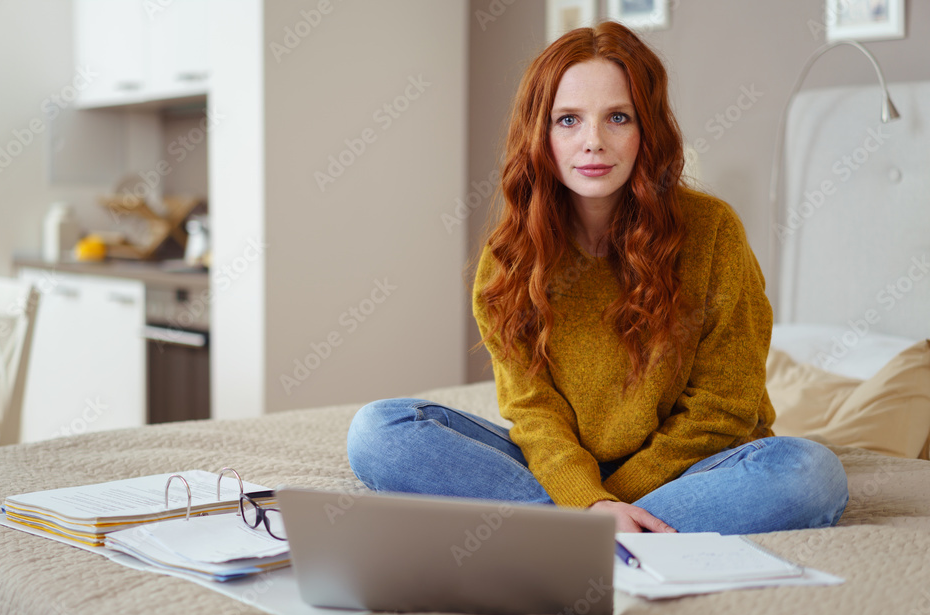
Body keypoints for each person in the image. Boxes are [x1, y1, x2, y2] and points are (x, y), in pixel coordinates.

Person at [347, 22, 848, 534]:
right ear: (540, 134)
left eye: (617, 118)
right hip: (564, 470)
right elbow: (533, 412)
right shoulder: (511, 256)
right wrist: (585, 498)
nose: (594, 142)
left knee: (811, 475)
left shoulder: (712, 232)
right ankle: (585, 534)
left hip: (685, 470)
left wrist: (606, 502)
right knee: (378, 431)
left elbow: (723, 410)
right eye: (568, 120)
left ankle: (555, 532)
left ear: (647, 129)